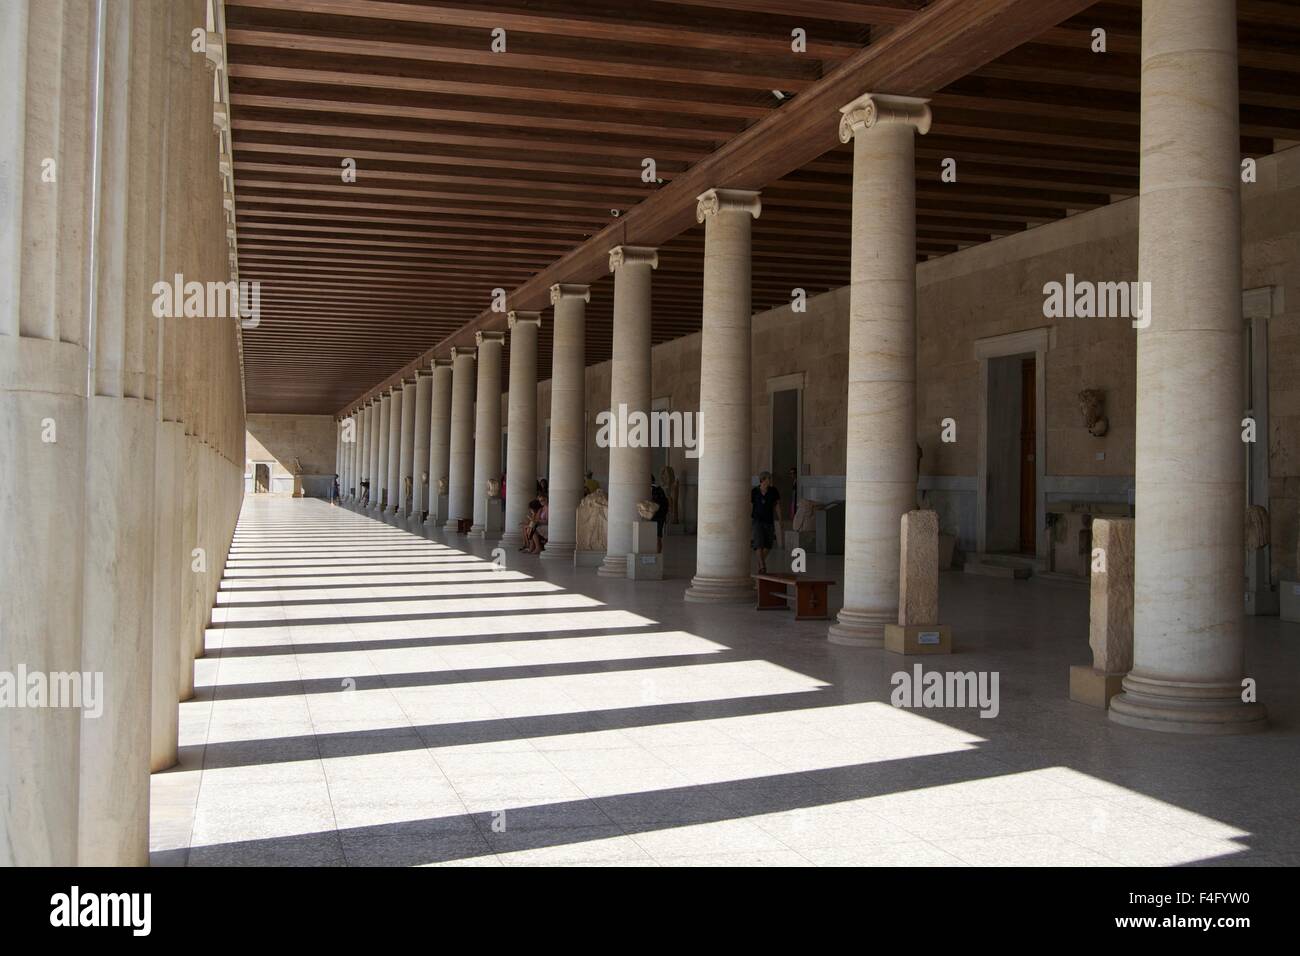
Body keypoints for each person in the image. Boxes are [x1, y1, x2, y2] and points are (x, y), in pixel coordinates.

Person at [751, 471, 780, 574]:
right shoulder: (754, 491)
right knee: (758, 543)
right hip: (757, 520)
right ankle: (762, 566)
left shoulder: (773, 491)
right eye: (768, 479)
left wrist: (779, 519)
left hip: (769, 520)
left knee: (768, 545)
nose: (770, 480)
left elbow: (777, 505)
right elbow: (750, 505)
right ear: (763, 479)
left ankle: (760, 561)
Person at [651, 475, 669, 553]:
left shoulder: (654, 489)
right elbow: (665, 503)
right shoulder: (660, 489)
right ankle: (658, 555)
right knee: (658, 537)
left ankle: (657, 555)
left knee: (657, 537)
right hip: (660, 516)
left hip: (655, 517)